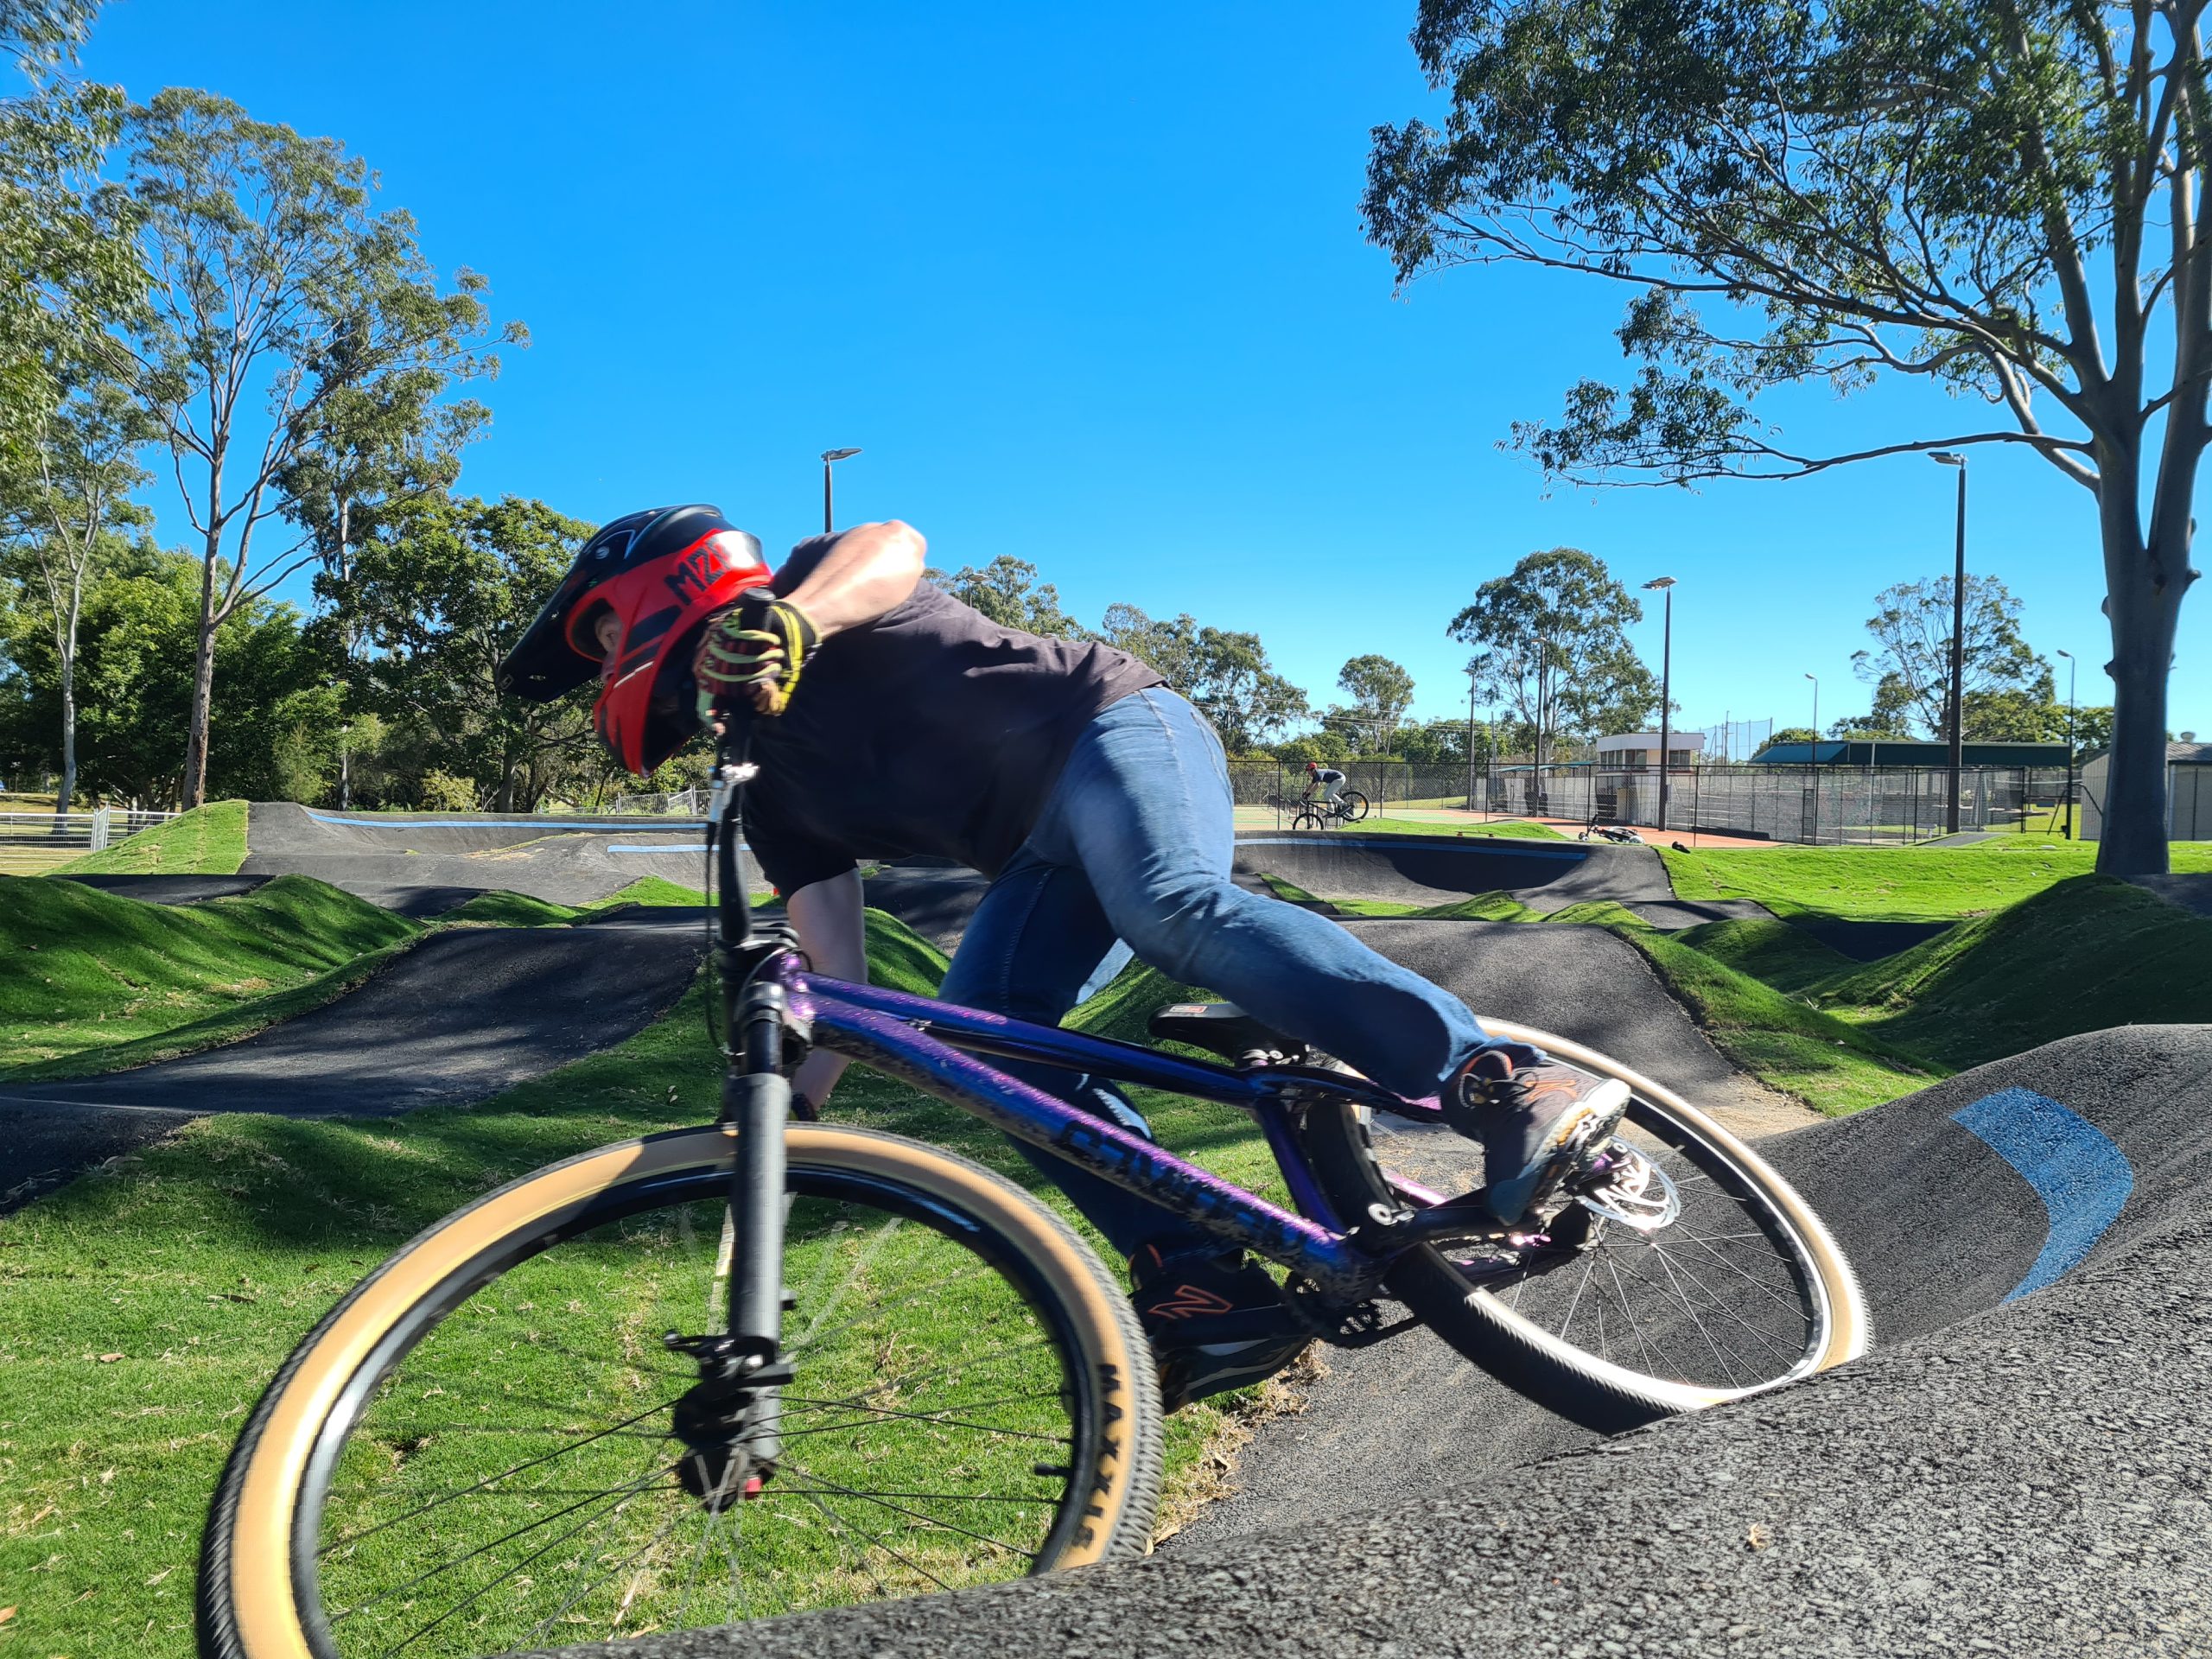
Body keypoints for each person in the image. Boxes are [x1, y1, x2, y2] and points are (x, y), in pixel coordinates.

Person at [500, 505, 1628, 1408]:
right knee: (988, 1053)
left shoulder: (818, 584)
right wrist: (797, 1100)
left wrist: (795, 617)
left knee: (1172, 905)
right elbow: (835, 969)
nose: (604, 671)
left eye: (597, 640)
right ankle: (1205, 1280)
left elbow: (895, 545)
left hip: (1113, 730)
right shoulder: (772, 792)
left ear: (656, 584)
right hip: (1039, 859)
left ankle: (1500, 1080)